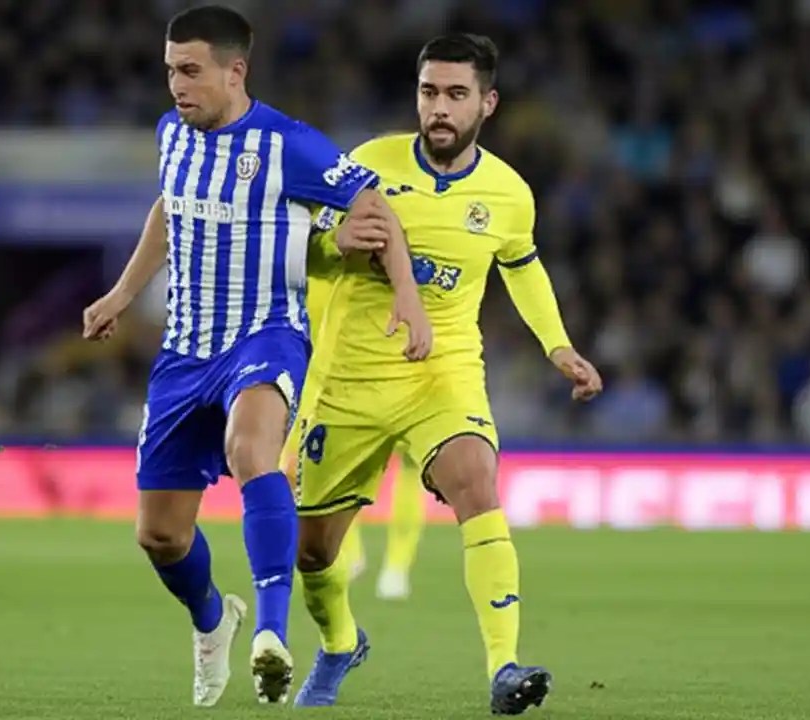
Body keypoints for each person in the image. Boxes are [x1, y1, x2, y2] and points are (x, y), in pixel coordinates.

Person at [81, 5, 431, 707]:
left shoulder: (288, 145)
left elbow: (375, 209)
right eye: (170, 71)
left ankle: (272, 634)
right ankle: (216, 621)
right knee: (160, 537)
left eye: (191, 71)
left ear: (234, 71)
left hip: (265, 333)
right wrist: (122, 292)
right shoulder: (170, 134)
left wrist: (408, 296)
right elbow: (169, 209)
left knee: (252, 450)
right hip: (185, 350)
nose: (176, 85)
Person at [290, 34, 604, 715]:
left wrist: (558, 346)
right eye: (429, 92)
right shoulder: (367, 166)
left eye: (456, 94)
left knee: (476, 482)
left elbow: (522, 266)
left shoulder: (509, 193)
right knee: (312, 556)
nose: (439, 107)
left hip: (444, 372)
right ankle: (342, 643)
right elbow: (308, 247)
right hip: (347, 381)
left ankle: (504, 666)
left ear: (487, 103)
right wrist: (331, 242)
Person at [281, 281, 428, 603]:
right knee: (300, 467)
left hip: (394, 363)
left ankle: (397, 567)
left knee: (410, 464)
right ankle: (351, 550)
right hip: (325, 373)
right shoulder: (315, 256)